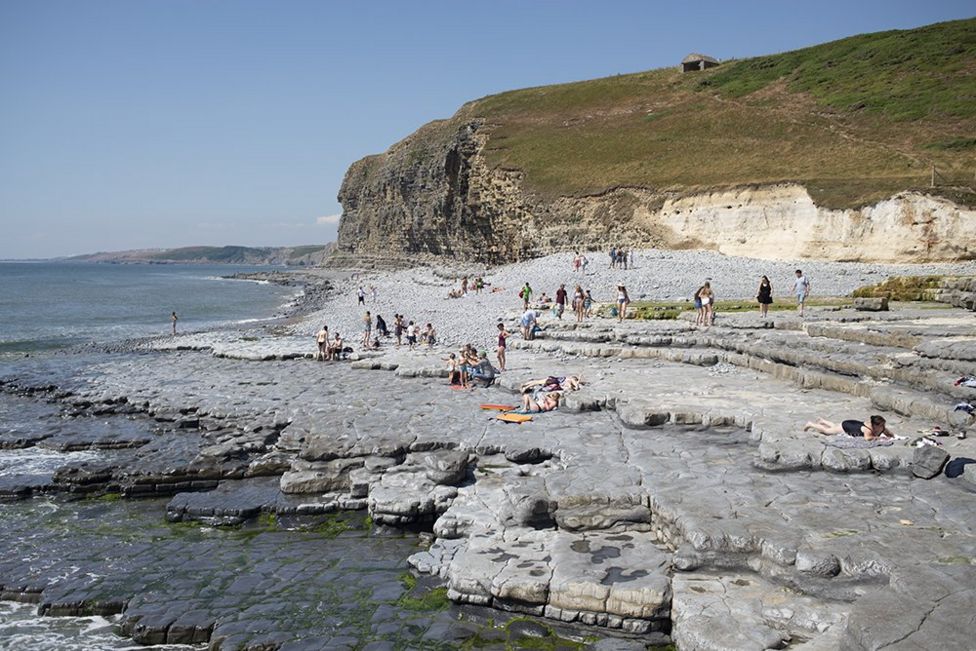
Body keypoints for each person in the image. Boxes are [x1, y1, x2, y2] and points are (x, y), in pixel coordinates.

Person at [804, 415, 893, 440]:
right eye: (881, 425)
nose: (883, 427)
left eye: (883, 425)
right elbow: (868, 438)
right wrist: (880, 438)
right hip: (846, 426)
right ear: (875, 426)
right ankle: (811, 424)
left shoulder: (881, 427)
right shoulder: (868, 430)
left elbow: (889, 433)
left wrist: (892, 436)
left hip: (852, 423)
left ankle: (822, 421)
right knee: (827, 431)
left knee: (835, 427)